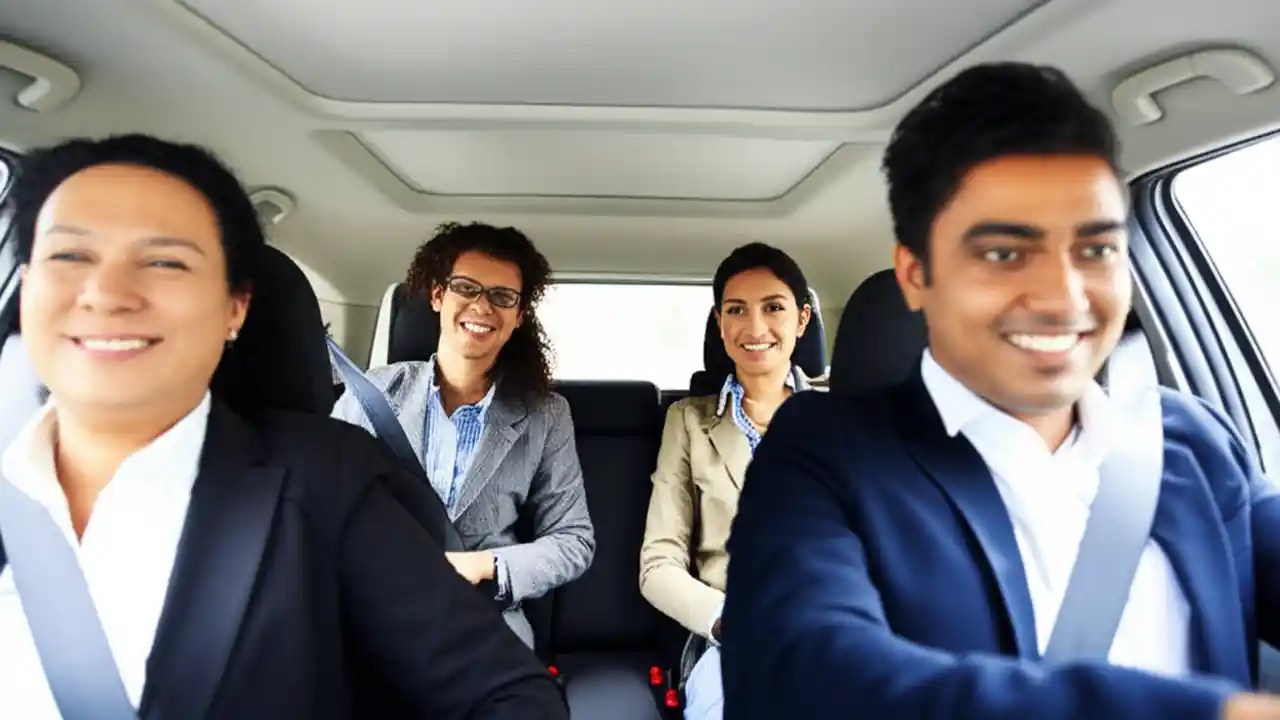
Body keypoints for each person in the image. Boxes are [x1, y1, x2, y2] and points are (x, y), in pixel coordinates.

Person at [720, 63, 1280, 720]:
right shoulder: (824, 454)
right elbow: (806, 676)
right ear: (916, 275)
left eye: (1096, 250)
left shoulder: (1193, 440)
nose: (1063, 297)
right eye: (1006, 254)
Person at [0, 134, 567, 719]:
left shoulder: (326, 479)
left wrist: (488, 568)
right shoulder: (372, 401)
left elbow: (528, 644)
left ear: (235, 308)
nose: (107, 293)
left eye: (164, 261)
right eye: (69, 256)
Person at [332, 222, 594, 647]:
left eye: (502, 296)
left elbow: (573, 540)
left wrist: (485, 566)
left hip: (483, 616)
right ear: (438, 295)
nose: (482, 306)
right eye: (466, 288)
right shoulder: (373, 394)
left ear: (518, 315)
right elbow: (321, 505)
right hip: (372, 608)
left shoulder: (545, 414)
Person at [639, 242, 812, 720]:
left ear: (801, 320)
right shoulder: (688, 422)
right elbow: (658, 564)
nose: (755, 328)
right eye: (737, 310)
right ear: (720, 323)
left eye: (773, 307)